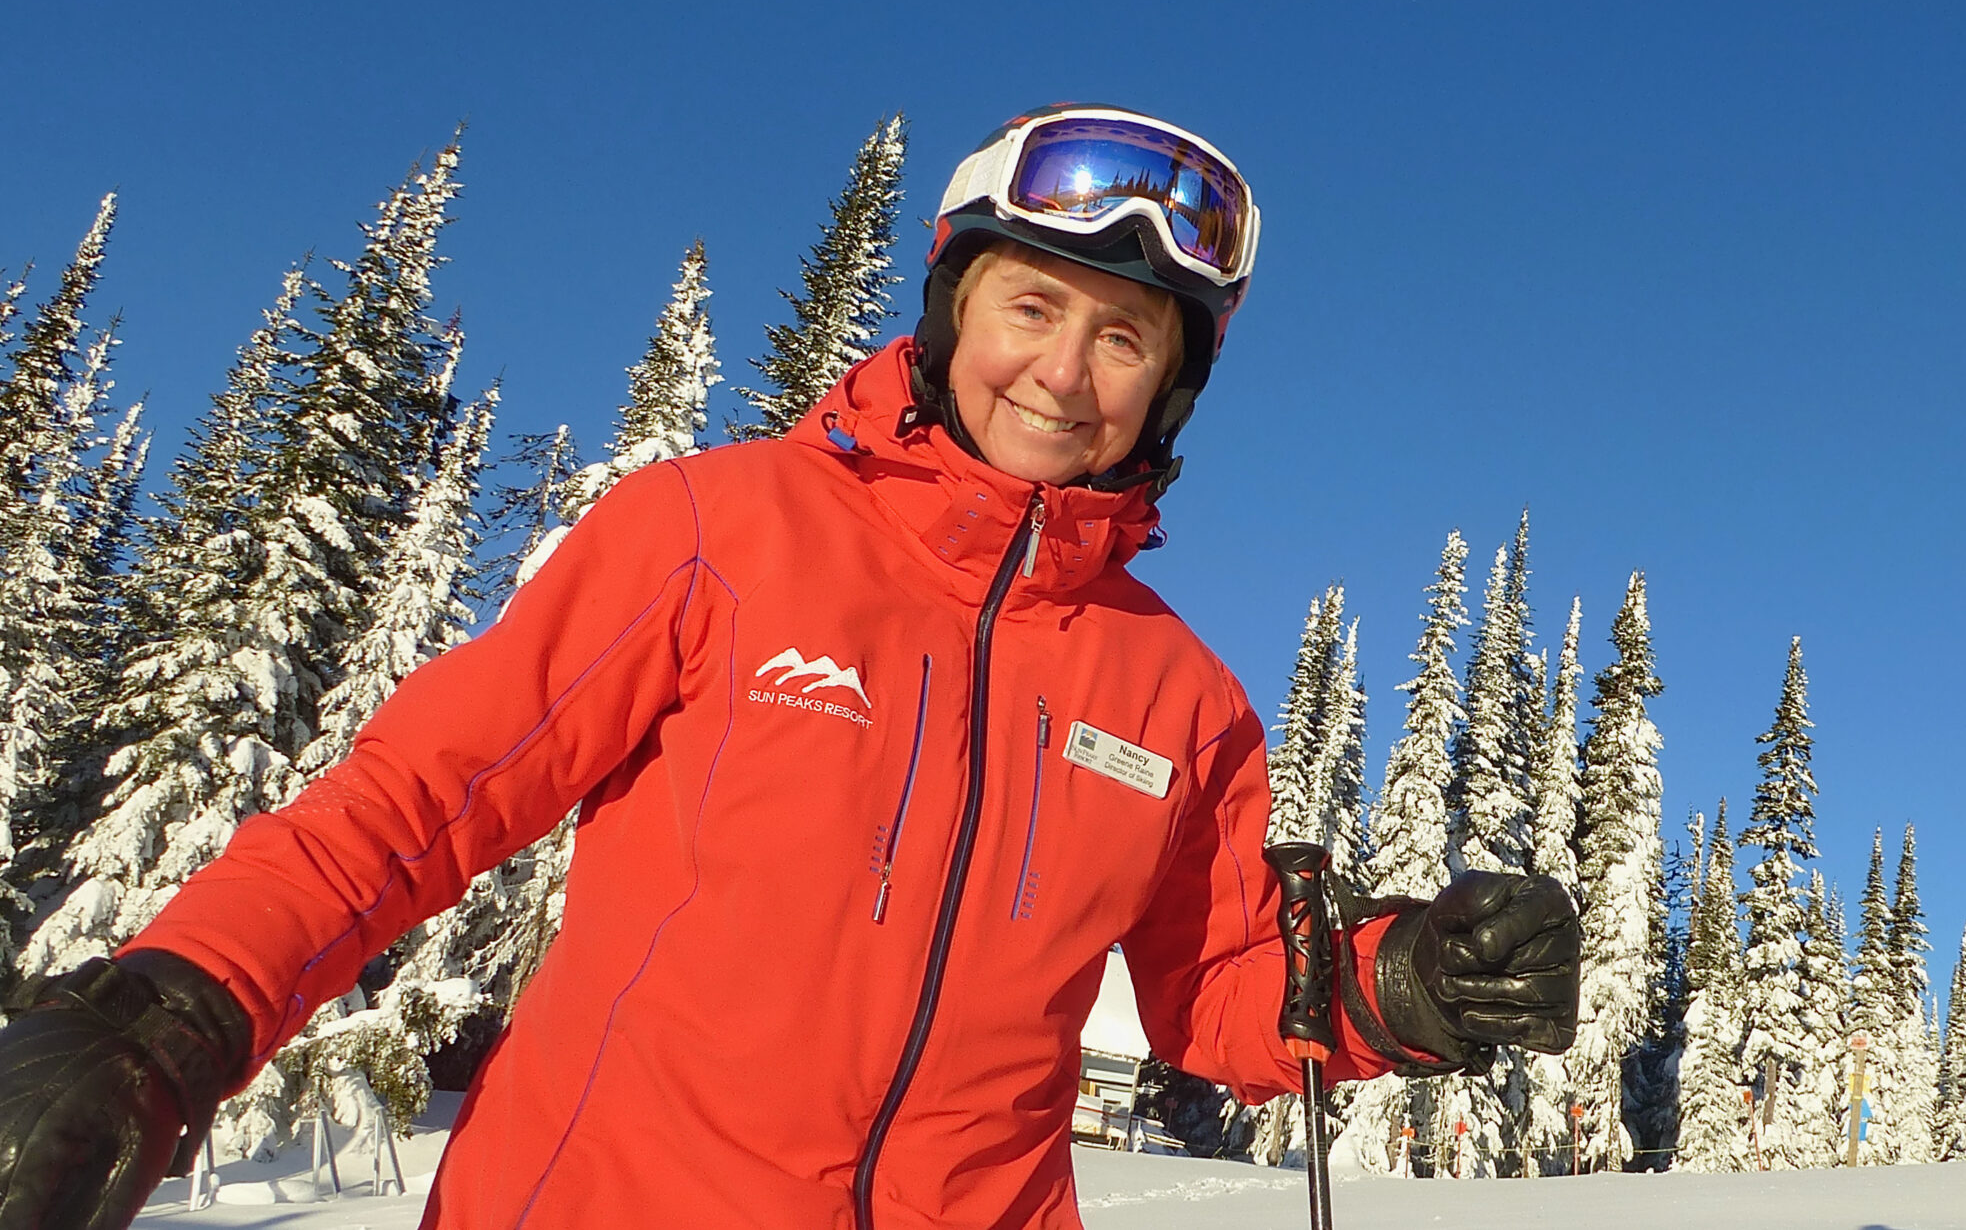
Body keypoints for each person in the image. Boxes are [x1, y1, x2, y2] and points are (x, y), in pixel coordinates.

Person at [0, 105, 1580, 1230]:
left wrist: (1401, 984)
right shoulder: (717, 529)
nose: (1065, 370)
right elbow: (417, 803)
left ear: (1169, 387)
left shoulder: (1183, 700)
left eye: (1126, 337)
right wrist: (170, 1018)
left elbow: (1221, 1000)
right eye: (1034, 305)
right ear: (958, 312)